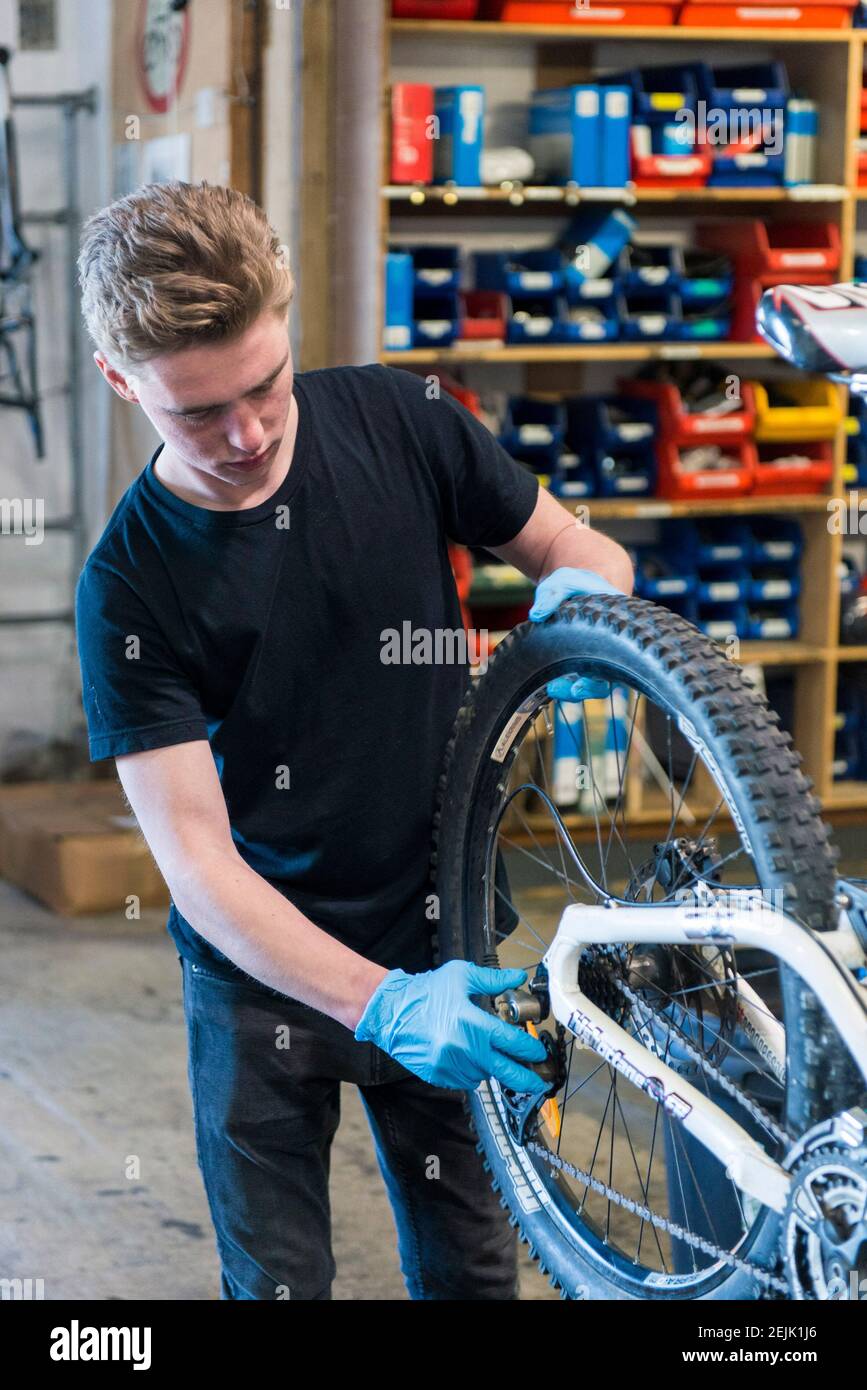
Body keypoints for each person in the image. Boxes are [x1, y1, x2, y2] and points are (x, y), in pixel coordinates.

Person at [75, 180, 633, 1300]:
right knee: (280, 1283)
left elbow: (576, 545)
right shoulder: (129, 586)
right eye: (197, 413)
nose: (247, 434)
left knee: (474, 1270)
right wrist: (376, 1003)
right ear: (120, 381)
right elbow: (197, 868)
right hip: (259, 972)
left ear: (287, 326)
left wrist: (586, 598)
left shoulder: (401, 417)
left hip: (444, 931)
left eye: (265, 385)